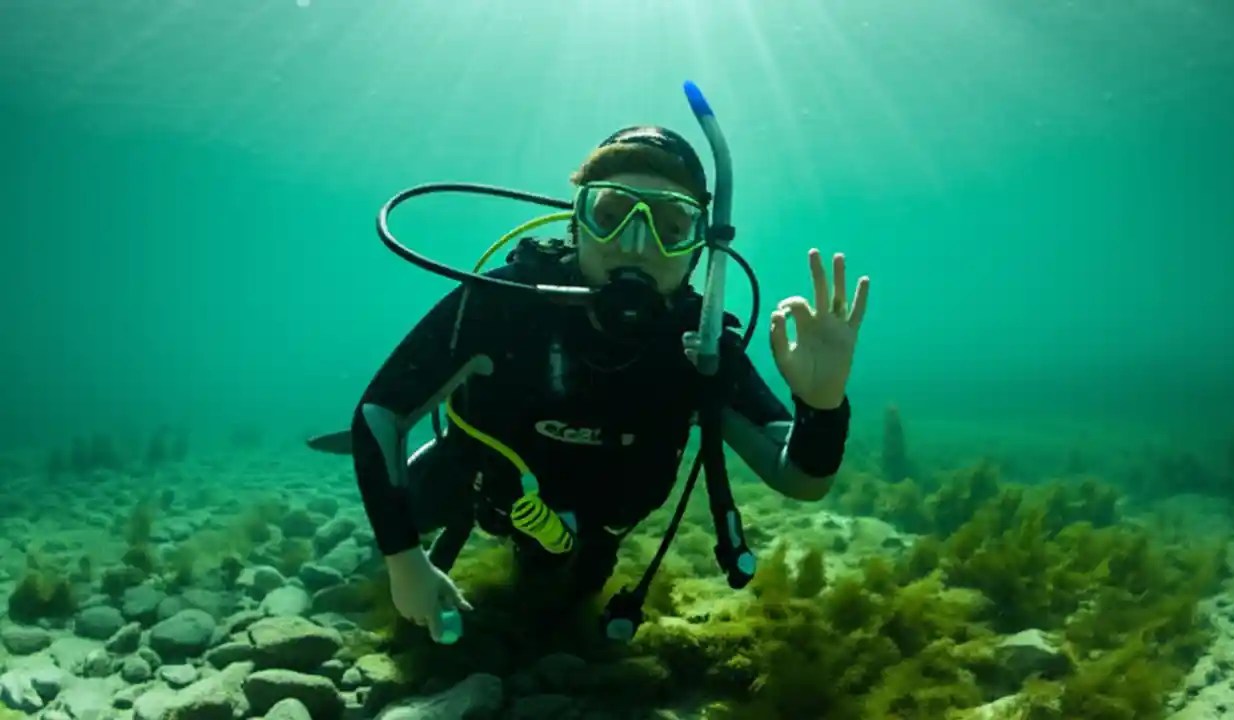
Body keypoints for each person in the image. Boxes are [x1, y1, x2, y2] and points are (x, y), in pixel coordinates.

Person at [316, 124, 870, 645]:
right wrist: (403, 560)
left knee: (559, 609)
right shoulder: (504, 305)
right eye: (611, 214)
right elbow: (379, 415)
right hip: (477, 483)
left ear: (699, 249)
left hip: (600, 524)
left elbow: (800, 479)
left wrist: (821, 406)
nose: (636, 243)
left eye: (671, 227)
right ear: (576, 225)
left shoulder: (698, 350)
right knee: (392, 532)